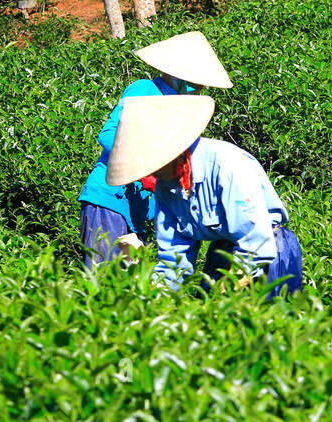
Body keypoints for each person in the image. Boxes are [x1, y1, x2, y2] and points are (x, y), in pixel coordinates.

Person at [106, 95, 303, 299]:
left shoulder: (227, 166)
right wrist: (150, 294)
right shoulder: (167, 188)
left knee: (265, 323)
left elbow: (255, 245)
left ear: (174, 152)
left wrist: (228, 288)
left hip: (269, 250)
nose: (150, 173)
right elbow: (174, 261)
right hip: (223, 249)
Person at [78, 31, 232, 269]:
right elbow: (109, 135)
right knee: (104, 280)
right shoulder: (144, 90)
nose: (199, 86)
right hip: (110, 200)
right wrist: (143, 171)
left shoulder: (180, 108)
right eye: (195, 79)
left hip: (138, 211)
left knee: (131, 288)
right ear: (176, 74)